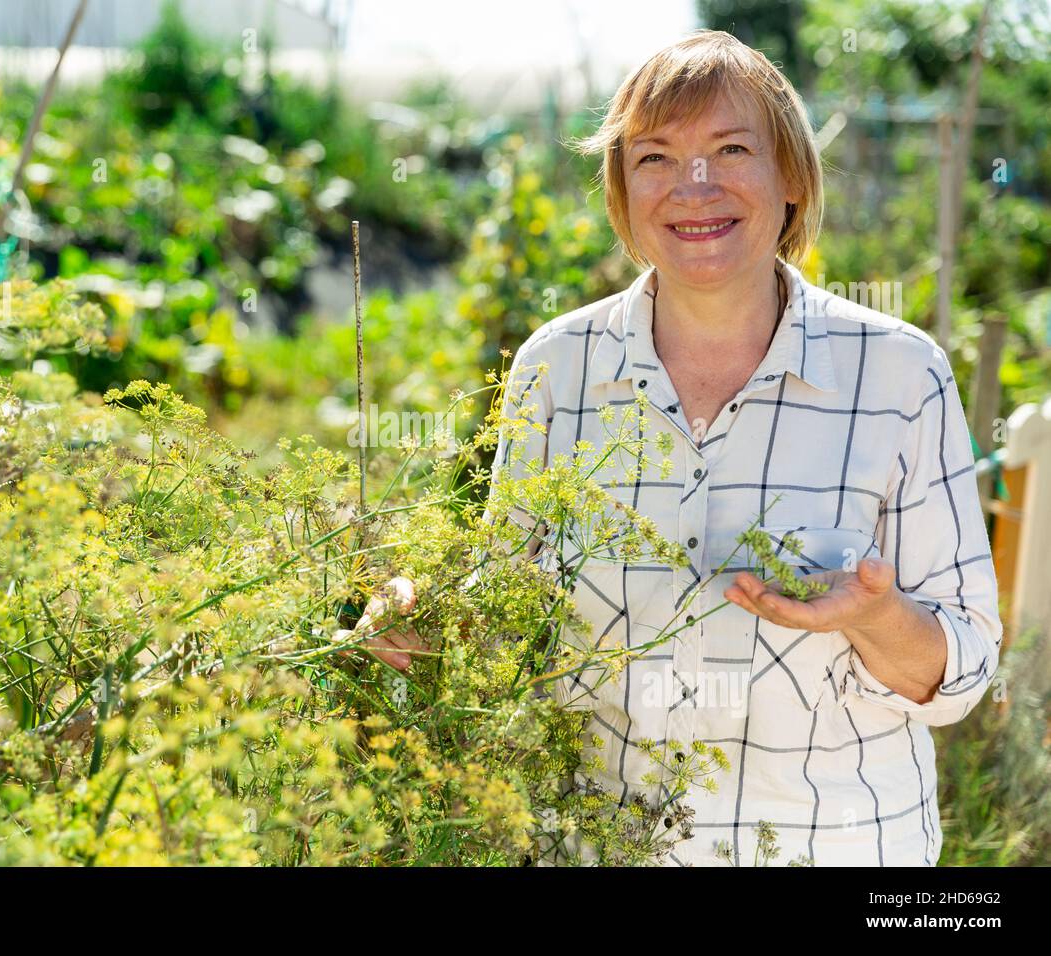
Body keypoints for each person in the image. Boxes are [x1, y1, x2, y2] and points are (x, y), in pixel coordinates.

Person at [346, 30, 1002, 866]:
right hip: (602, 845)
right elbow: (505, 609)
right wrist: (426, 616)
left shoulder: (901, 376)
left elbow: (965, 671)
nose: (695, 186)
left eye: (731, 149)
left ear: (792, 177)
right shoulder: (559, 367)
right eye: (655, 157)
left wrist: (878, 617)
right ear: (622, 189)